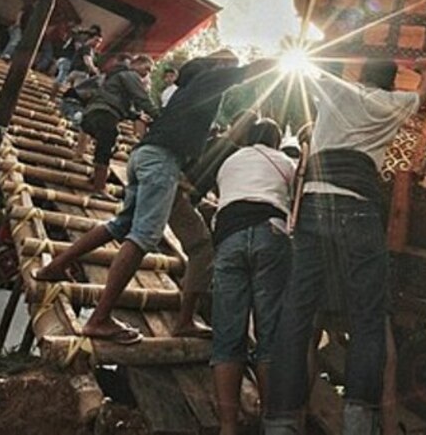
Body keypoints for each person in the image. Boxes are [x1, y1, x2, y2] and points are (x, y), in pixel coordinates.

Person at [34, 51, 276, 344]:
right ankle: (99, 318)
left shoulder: (188, 95)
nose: (232, 68)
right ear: (218, 66)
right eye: (229, 64)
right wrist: (291, 60)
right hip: (161, 161)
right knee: (144, 236)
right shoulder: (210, 79)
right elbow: (257, 67)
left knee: (122, 225)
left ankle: (55, 265)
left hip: (145, 157)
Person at [266, 57, 426, 435]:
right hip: (360, 208)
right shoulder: (391, 104)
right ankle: (358, 423)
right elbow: (424, 94)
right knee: (367, 320)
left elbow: (313, 65)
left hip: (315, 205)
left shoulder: (336, 89)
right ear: (391, 84)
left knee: (296, 316)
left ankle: (279, 422)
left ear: (360, 75)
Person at [211, 117, 297, 435]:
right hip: (270, 234)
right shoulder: (284, 160)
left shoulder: (230, 160)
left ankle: (228, 427)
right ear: (275, 141)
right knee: (269, 334)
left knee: (227, 336)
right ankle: (273, 423)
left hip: (229, 237)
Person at [74, 53, 159, 198]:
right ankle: (99, 187)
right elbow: (142, 99)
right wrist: (159, 117)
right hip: (103, 113)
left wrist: (136, 116)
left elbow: (119, 104)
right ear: (136, 63)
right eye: (147, 68)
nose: (147, 73)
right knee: (107, 141)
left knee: (110, 143)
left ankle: (96, 177)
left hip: (93, 114)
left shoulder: (115, 77)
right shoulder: (130, 75)